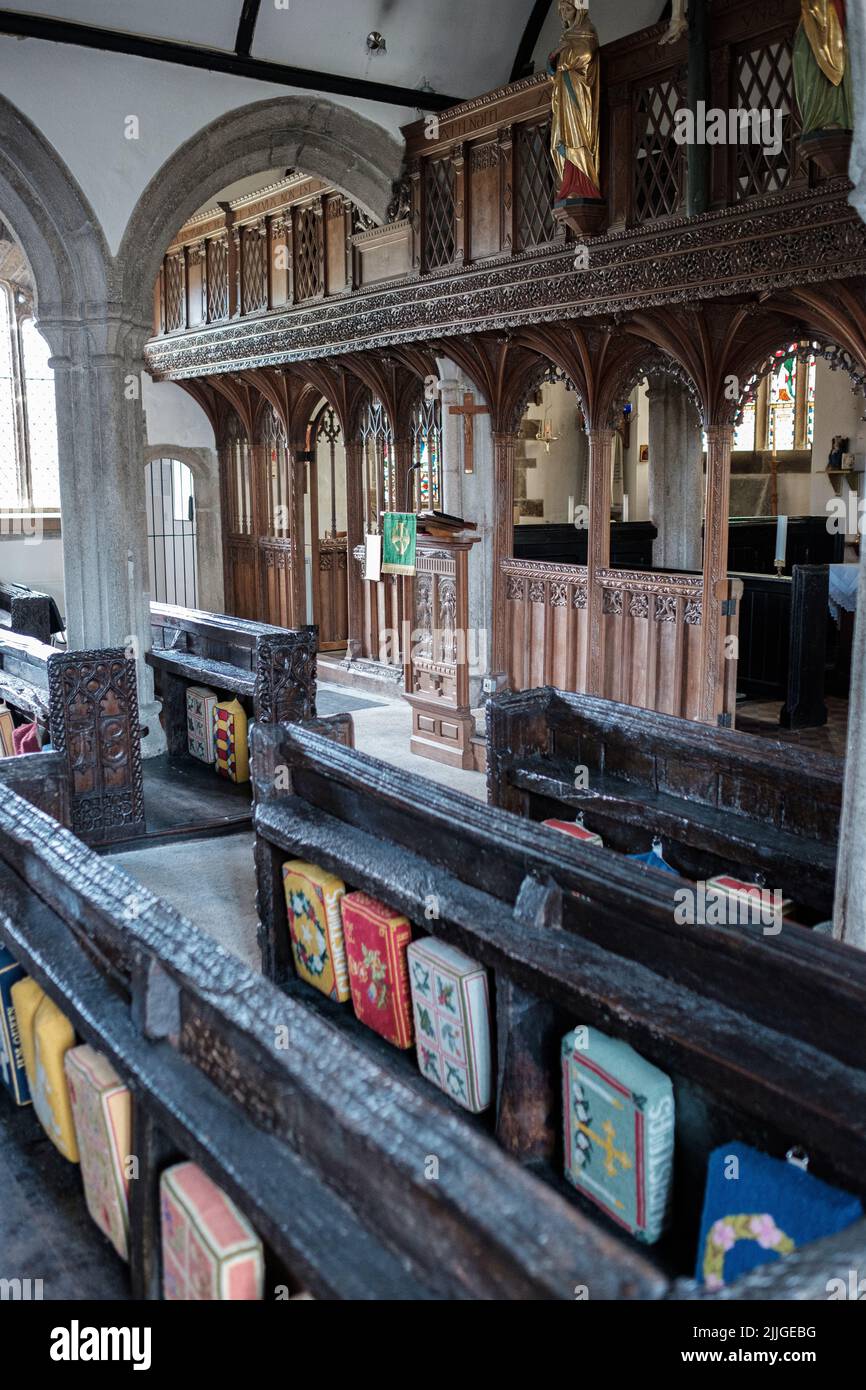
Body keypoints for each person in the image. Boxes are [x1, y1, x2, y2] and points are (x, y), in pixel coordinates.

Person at [549, 1, 601, 203]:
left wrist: (563, 55)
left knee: (577, 136)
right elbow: (553, 69)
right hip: (563, 95)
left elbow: (586, 54)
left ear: (580, 9)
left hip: (579, 94)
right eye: (561, 10)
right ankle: (568, 184)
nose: (564, 14)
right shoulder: (566, 36)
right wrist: (554, 57)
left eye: (568, 9)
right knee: (560, 139)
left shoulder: (587, 30)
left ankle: (583, 184)